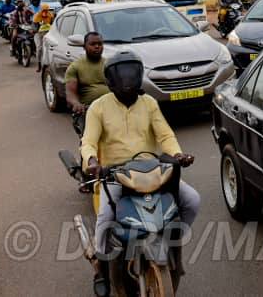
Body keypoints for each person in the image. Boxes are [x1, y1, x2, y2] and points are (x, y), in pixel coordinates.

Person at [82, 55, 198, 295]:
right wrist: (92, 161)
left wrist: (177, 155)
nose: (127, 82)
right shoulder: (98, 107)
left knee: (192, 200)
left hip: (152, 171)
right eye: (121, 77)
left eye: (131, 76)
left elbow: (165, 135)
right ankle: (100, 269)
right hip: (116, 174)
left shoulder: (150, 103)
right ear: (111, 81)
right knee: (105, 218)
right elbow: (88, 142)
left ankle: (172, 241)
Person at [33, 2, 55, 66]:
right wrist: (40, 26)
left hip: (47, 34)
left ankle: (49, 62)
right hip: (38, 34)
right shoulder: (37, 16)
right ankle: (39, 63)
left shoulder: (50, 15)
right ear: (41, 10)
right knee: (39, 48)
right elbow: (35, 26)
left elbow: (52, 25)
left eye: (46, 10)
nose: (45, 12)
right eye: (43, 10)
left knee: (49, 47)